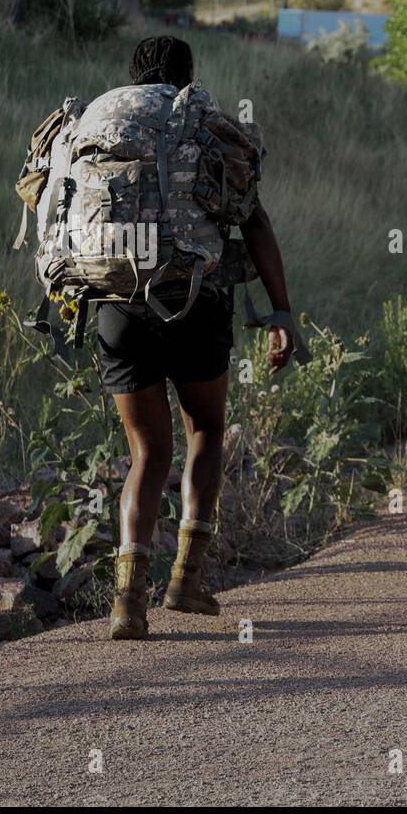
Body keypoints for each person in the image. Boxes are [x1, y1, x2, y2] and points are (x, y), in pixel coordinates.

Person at [93, 37, 298, 640]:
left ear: (131, 76)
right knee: (205, 429)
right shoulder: (205, 121)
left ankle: (128, 603)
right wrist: (281, 311)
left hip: (116, 304)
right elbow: (253, 219)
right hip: (194, 299)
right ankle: (186, 579)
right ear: (188, 75)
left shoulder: (100, 121)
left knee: (146, 454)